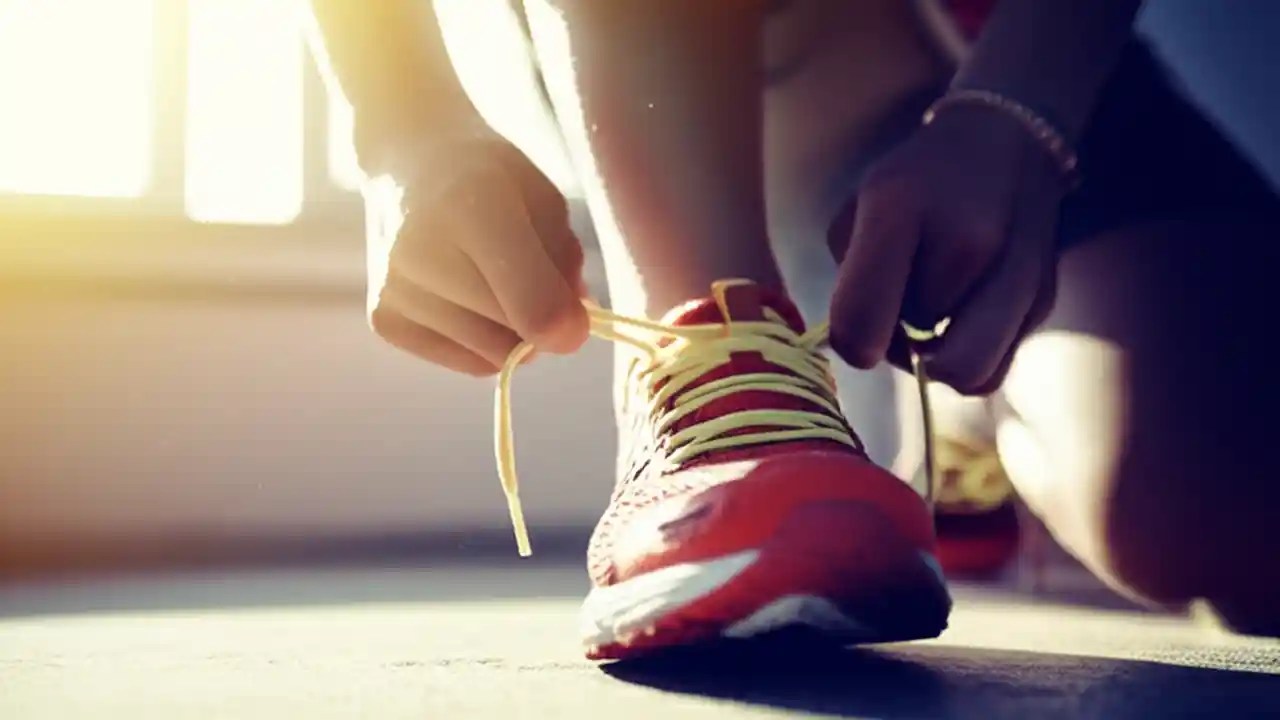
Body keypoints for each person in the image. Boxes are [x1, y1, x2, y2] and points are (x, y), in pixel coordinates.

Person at [306, 0, 1280, 658]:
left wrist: (1020, 109)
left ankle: (974, 419)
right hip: (690, 108)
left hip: (1028, 81)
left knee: (1216, 513)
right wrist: (402, 124)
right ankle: (718, 365)